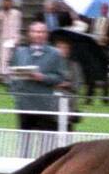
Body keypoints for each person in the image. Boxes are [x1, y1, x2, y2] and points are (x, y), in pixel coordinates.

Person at [7, 21, 68, 156]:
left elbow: (60, 77)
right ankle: (23, 161)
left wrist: (43, 77)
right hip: (24, 103)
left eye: (41, 32)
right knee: (25, 140)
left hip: (45, 104)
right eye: (35, 31)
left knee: (46, 142)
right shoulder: (20, 52)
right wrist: (15, 92)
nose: (38, 34)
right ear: (30, 34)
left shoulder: (55, 54)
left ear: (46, 34)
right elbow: (10, 73)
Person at [0, 0, 23, 76]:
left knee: (11, 56)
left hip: (13, 37)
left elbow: (18, 26)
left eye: (8, 2)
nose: (6, 3)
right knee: (3, 56)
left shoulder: (16, 13)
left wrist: (17, 38)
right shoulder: (0, 13)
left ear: (11, 3)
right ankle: (3, 72)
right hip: (3, 37)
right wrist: (3, 12)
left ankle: (11, 72)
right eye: (5, 2)